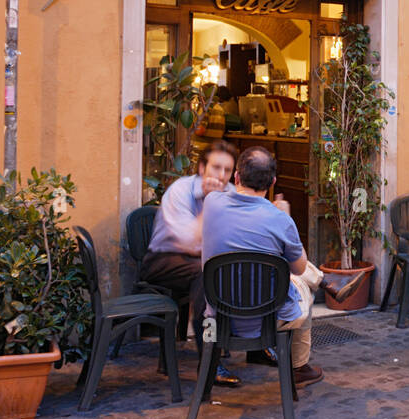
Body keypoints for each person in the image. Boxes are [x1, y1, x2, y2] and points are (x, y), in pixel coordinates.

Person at [200, 147, 367, 389]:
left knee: (283, 272)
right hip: (267, 319)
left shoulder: (212, 203)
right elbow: (299, 267)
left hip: (218, 317)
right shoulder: (279, 220)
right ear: (273, 183)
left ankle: (327, 282)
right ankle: (299, 368)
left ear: (236, 177)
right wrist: (285, 215)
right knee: (302, 286)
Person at [139, 140, 242, 387]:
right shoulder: (180, 191)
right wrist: (211, 202)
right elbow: (189, 241)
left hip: (205, 259)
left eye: (227, 170)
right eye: (216, 168)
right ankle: (209, 361)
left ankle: (257, 345)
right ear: (201, 168)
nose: (221, 175)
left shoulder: (229, 192)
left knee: (246, 268)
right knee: (207, 278)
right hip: (165, 259)